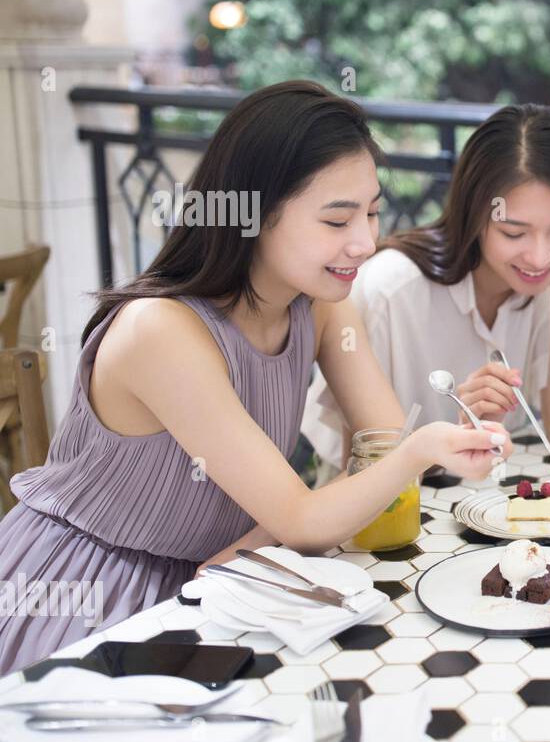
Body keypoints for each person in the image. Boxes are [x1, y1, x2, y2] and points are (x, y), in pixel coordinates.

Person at [0, 81, 511, 677]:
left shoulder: (317, 303)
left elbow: (379, 447)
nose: (365, 242)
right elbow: (319, 512)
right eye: (336, 219)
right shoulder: (160, 331)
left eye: (371, 213)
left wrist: (260, 533)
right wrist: (415, 452)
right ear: (254, 216)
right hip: (95, 591)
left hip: (229, 575)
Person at [301, 104, 550, 480]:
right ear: (475, 214)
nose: (540, 256)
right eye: (514, 233)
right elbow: (363, 467)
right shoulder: (388, 289)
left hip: (493, 510)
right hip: (390, 521)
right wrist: (458, 437)